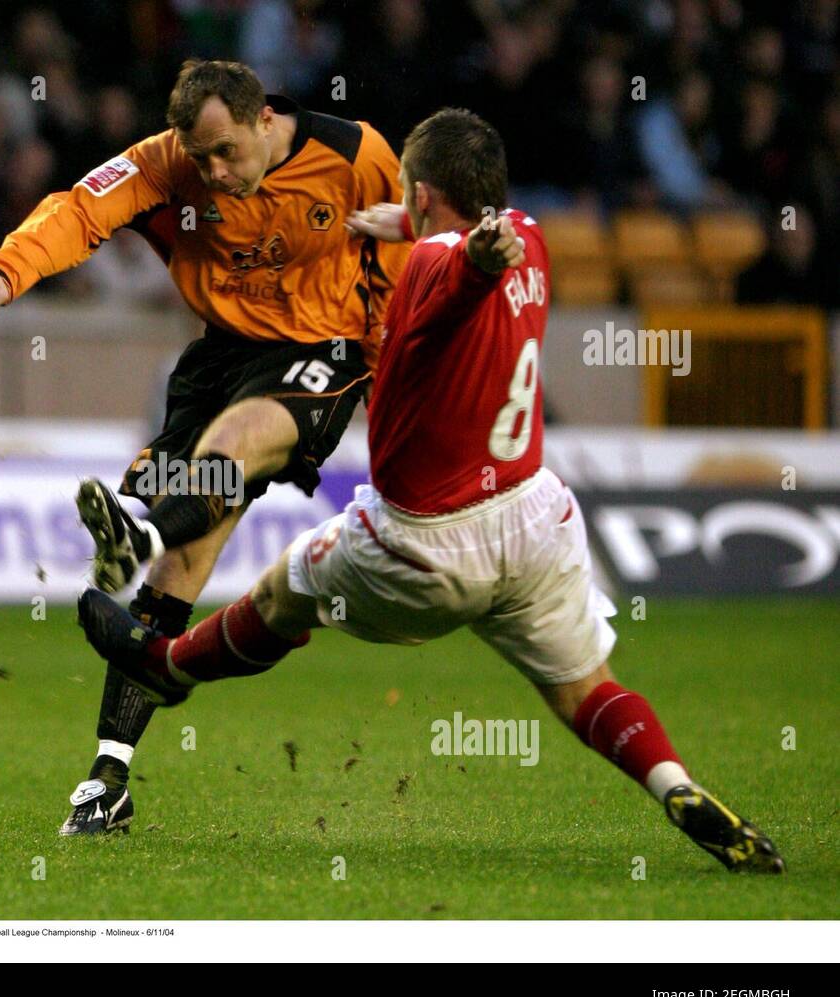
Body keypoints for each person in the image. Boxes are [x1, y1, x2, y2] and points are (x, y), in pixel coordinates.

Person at [77, 108, 784, 874]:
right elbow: (476, 247)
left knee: (285, 591)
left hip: (425, 542)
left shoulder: (436, 267)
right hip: (535, 519)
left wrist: (462, 257)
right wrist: (433, 233)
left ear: (420, 192)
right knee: (585, 687)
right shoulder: (534, 238)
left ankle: (166, 663)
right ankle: (674, 782)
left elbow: (456, 282)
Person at [0, 59, 412, 836]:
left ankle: (135, 529)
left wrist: (391, 358)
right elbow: (79, 209)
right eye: (198, 157)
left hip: (324, 351)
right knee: (179, 571)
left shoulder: (357, 154)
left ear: (264, 120)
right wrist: (10, 269)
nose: (211, 172)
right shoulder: (169, 160)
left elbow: (408, 251)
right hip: (219, 358)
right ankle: (109, 778)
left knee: (233, 445)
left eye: (224, 153)